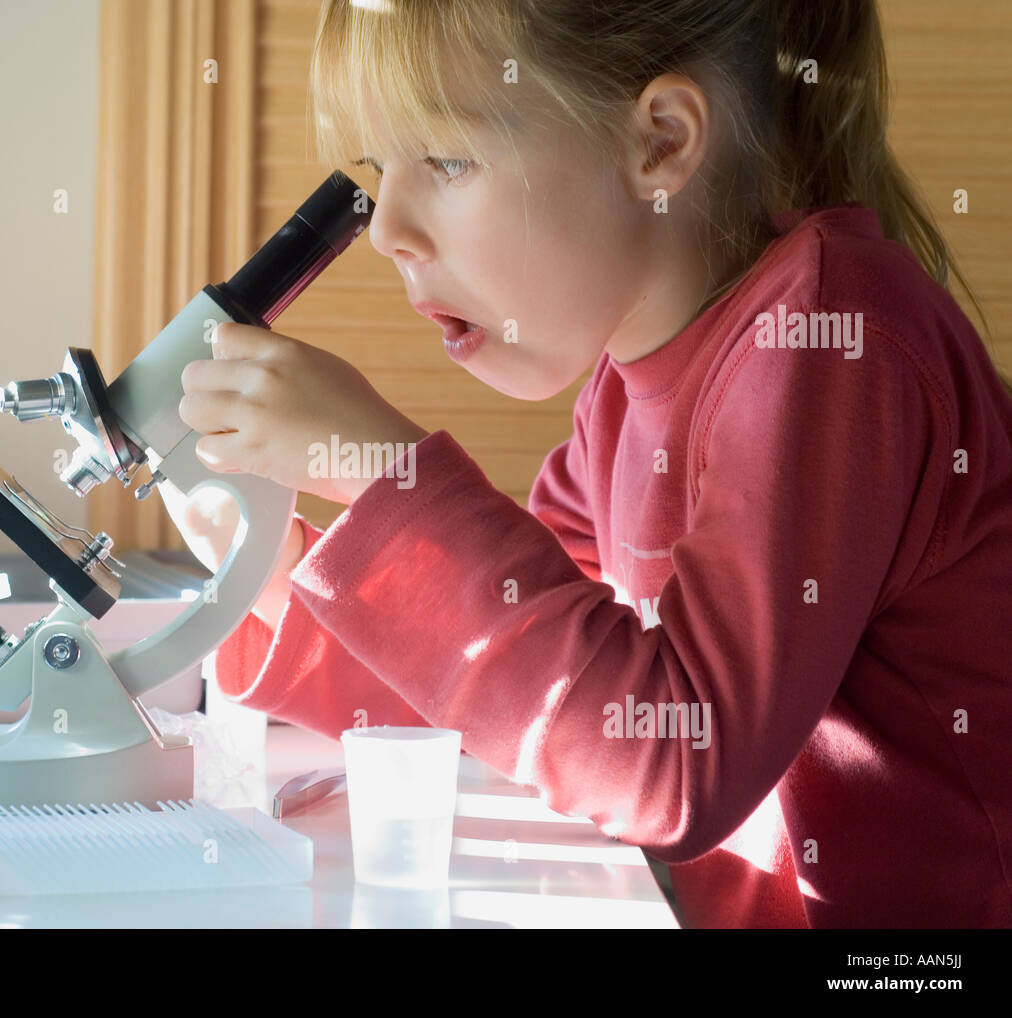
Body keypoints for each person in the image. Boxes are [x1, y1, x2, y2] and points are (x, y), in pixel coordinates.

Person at [159, 0, 1012, 928]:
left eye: (447, 159)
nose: (386, 228)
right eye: (378, 170)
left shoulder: (832, 339)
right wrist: (281, 578)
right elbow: (537, 705)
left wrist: (385, 474)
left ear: (659, 144)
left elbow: (674, 763)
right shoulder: (620, 392)